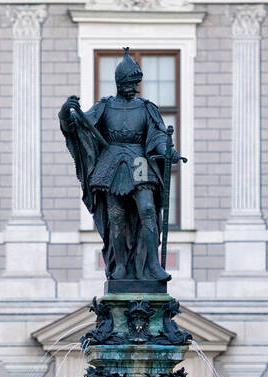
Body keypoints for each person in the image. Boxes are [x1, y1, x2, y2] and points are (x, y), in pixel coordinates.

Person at [59, 49, 180, 283]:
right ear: (119, 82)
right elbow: (77, 126)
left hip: (138, 161)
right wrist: (66, 111)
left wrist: (169, 151)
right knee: (116, 217)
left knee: (147, 209)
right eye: (130, 83)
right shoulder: (105, 106)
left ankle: (152, 265)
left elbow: (156, 136)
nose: (134, 88)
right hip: (111, 164)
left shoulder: (146, 107)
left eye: (136, 83)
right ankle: (121, 266)